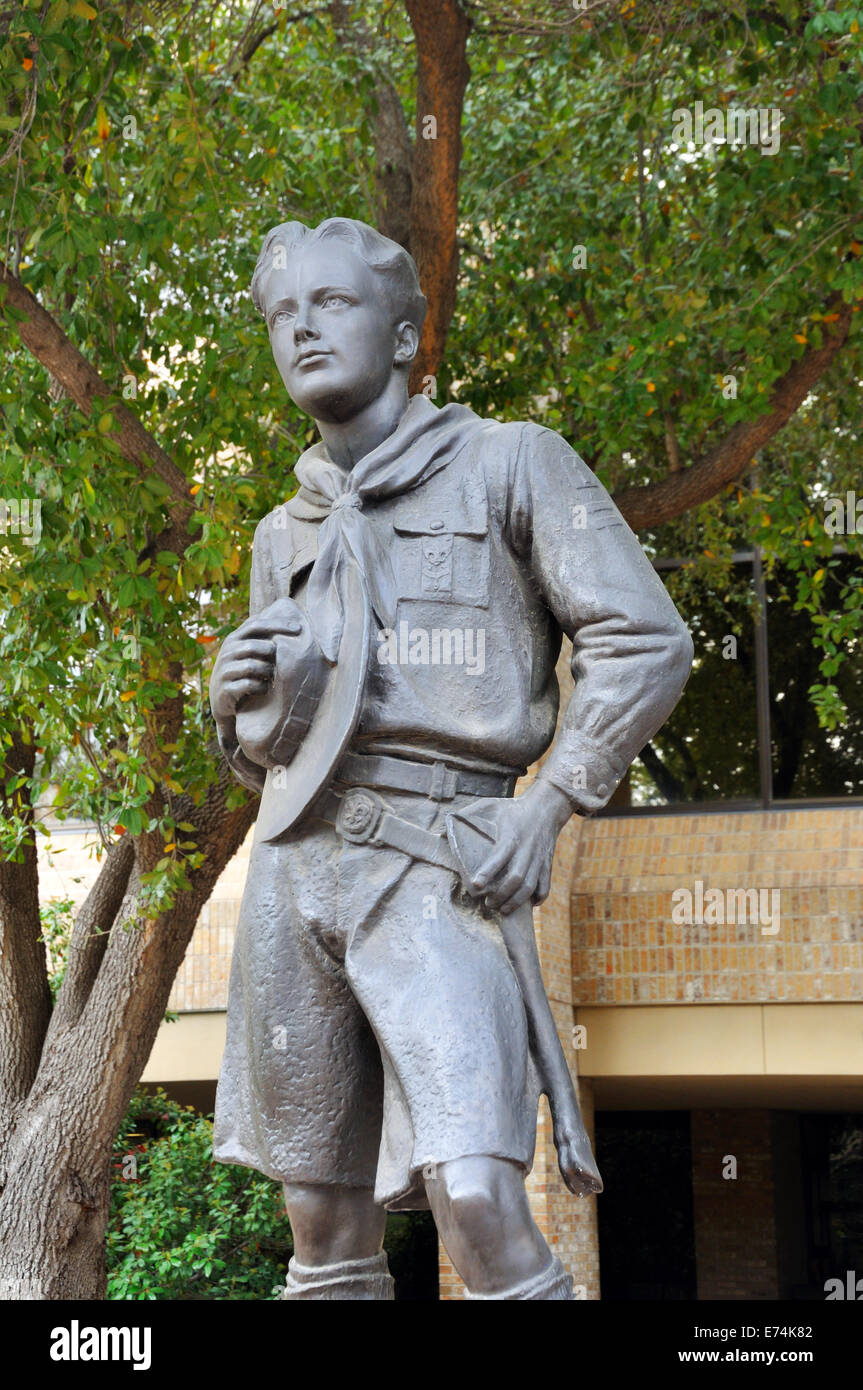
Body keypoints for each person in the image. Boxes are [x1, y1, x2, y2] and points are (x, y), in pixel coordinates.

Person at [209, 217, 693, 1300]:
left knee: (473, 1196)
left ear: (401, 333)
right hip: (296, 876)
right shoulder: (281, 532)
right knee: (319, 1221)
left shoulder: (507, 461)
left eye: (329, 304)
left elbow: (644, 641)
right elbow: (280, 750)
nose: (301, 329)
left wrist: (552, 801)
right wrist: (232, 706)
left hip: (442, 861)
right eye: (282, 315)